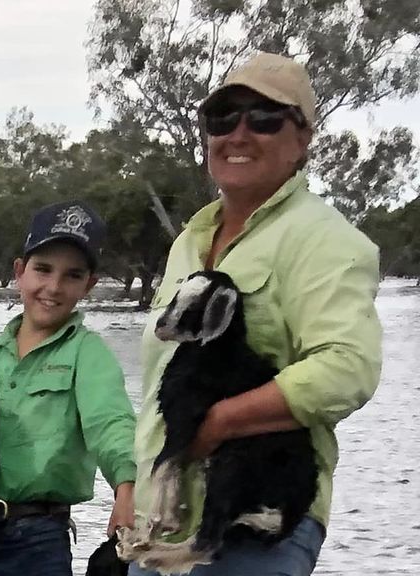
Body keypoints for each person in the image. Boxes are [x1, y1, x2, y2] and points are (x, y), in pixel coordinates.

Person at [129, 52, 383, 575]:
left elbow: (346, 368)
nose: (238, 134)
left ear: (304, 138)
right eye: (223, 118)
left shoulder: (324, 239)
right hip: (161, 528)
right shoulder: (189, 243)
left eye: (264, 118)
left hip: (254, 526)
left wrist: (216, 424)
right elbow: (164, 376)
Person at [0, 199, 138, 576]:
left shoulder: (88, 353)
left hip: (37, 542)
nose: (53, 287)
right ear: (20, 272)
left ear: (88, 285)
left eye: (72, 275)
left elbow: (111, 423)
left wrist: (127, 486)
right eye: (42, 269)